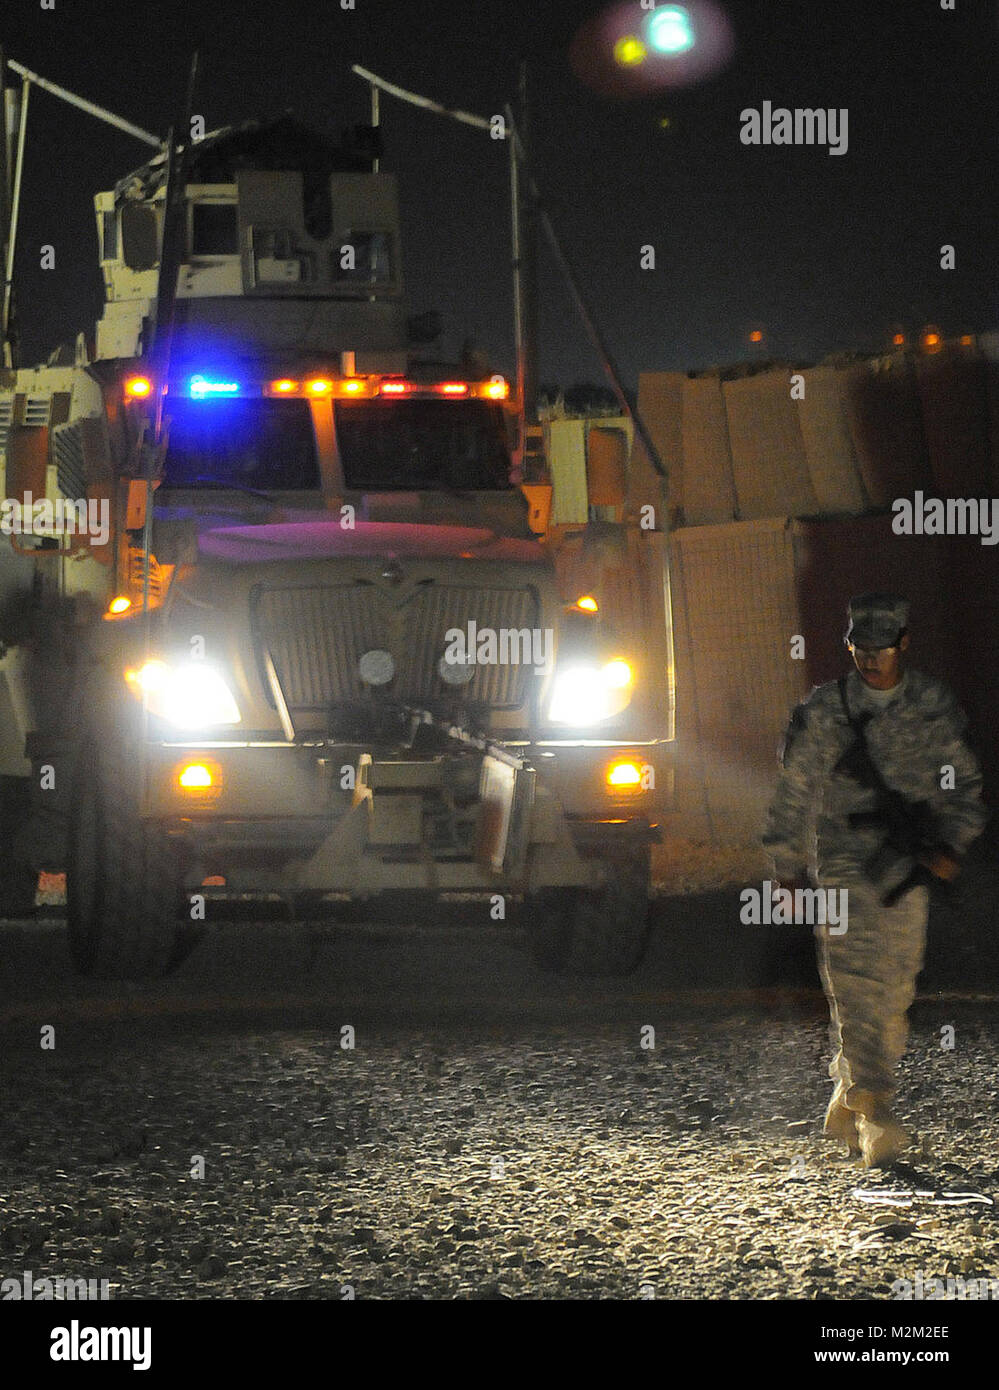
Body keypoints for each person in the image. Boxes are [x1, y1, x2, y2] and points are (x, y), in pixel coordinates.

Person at [763, 594, 987, 1167]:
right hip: (842, 863)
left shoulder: (931, 704)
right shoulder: (824, 710)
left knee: (895, 992)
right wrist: (785, 866)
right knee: (856, 984)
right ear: (849, 645)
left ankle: (850, 1090)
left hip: (906, 867)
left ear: (903, 644)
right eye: (860, 649)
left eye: (881, 649)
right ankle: (876, 1110)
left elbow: (965, 781)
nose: (870, 659)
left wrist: (950, 844)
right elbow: (793, 790)